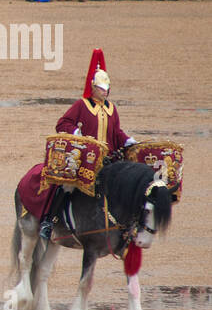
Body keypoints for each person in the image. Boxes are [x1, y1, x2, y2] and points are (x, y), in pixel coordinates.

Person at [19, 49, 136, 239]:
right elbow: (62, 123)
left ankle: (127, 226)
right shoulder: (81, 105)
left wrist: (128, 140)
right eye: (100, 88)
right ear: (93, 88)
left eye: (106, 89)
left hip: (107, 160)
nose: (103, 92)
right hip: (85, 160)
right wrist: (76, 132)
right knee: (66, 186)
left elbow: (116, 133)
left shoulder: (112, 109)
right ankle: (50, 221)